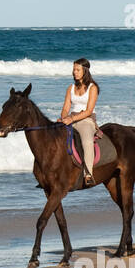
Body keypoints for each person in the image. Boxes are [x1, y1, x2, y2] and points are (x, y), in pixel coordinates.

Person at [60, 58, 100, 186]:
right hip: (71, 118)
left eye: (77, 70)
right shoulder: (70, 88)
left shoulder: (93, 88)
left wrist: (71, 119)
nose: (74, 72)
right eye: (74, 70)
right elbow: (66, 107)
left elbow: (89, 111)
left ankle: (88, 174)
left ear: (85, 70)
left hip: (86, 120)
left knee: (87, 141)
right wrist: (63, 118)